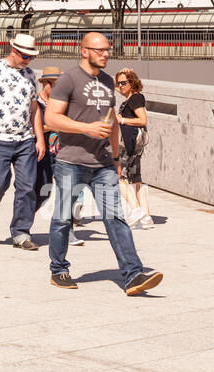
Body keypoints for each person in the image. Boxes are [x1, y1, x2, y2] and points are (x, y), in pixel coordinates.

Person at [43, 32, 163, 296]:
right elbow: (51, 119)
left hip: (103, 164)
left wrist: (116, 157)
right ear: (84, 51)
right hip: (70, 161)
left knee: (116, 218)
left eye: (107, 50)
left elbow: (111, 122)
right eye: (100, 50)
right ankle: (59, 269)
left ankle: (132, 275)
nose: (106, 54)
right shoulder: (67, 80)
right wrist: (86, 128)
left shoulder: (109, 82)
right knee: (63, 218)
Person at [0, 33, 45, 250]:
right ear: (13, 50)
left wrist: (39, 139)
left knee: (27, 187)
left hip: (24, 140)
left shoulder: (30, 75)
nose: (27, 60)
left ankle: (21, 233)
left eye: (31, 57)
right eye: (25, 55)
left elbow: (34, 109)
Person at [31, 66, 88, 246]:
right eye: (53, 84)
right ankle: (22, 224)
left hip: (63, 154)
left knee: (67, 194)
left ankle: (67, 233)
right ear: (45, 84)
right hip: (41, 154)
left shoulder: (63, 104)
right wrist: (54, 124)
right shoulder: (35, 104)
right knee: (41, 194)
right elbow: (33, 127)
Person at [116, 67, 153, 229]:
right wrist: (121, 75)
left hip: (129, 144)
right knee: (135, 180)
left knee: (119, 177)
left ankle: (136, 210)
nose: (120, 86)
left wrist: (122, 120)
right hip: (132, 144)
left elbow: (142, 120)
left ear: (132, 82)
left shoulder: (135, 98)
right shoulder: (131, 98)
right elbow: (113, 85)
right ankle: (146, 217)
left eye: (124, 83)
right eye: (119, 83)